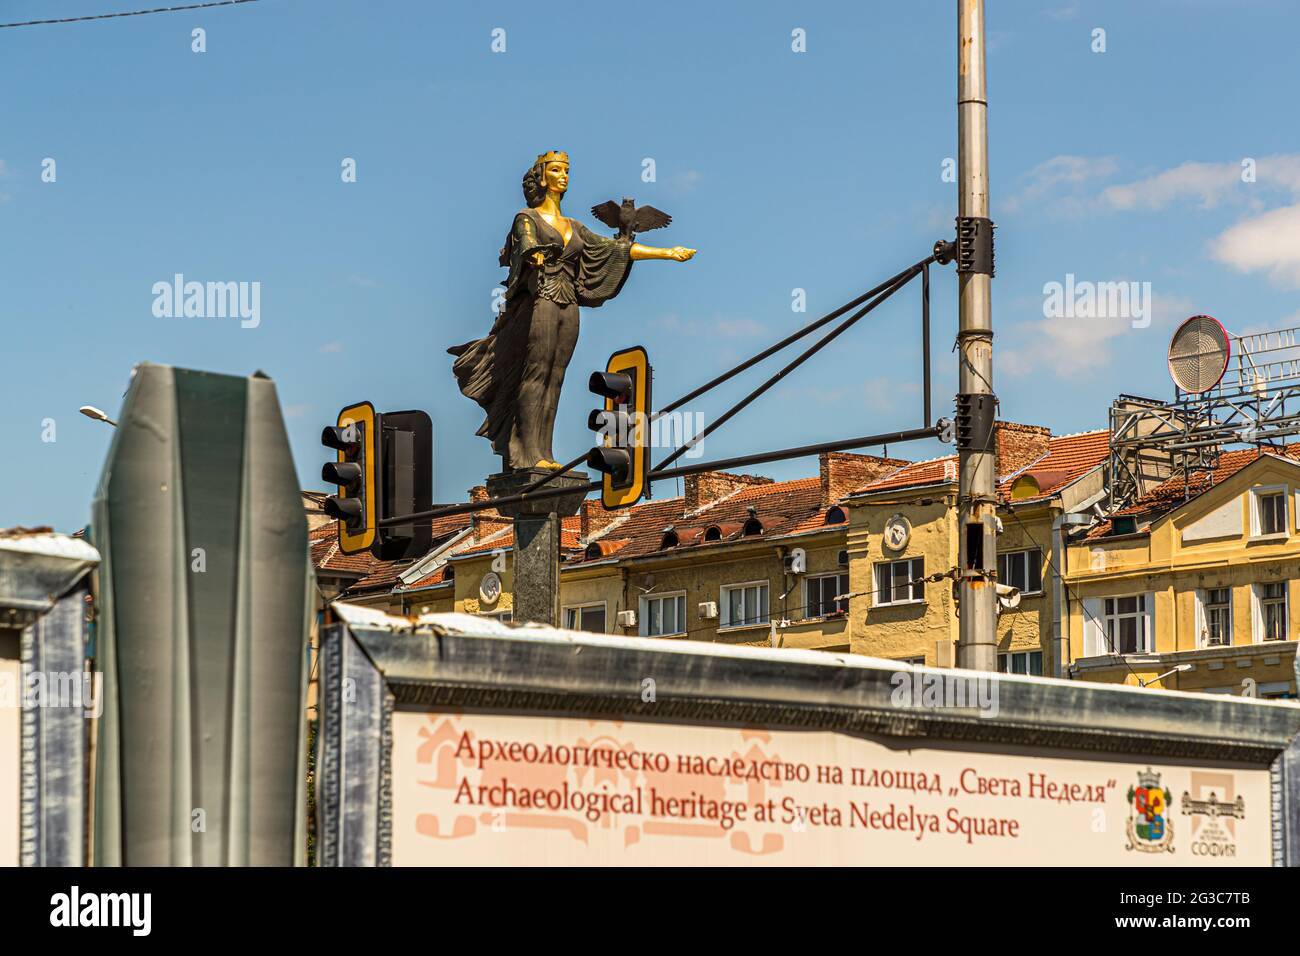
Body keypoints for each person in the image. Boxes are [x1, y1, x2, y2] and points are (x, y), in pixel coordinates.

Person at [449, 150, 696, 471]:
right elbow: (525, 244)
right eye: (555, 170)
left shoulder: (574, 227)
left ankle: (545, 453)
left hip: (568, 303)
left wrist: (668, 253)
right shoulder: (527, 218)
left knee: (556, 377)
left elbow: (616, 248)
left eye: (566, 170)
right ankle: (525, 453)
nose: (563, 176)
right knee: (536, 373)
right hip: (543, 298)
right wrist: (534, 255)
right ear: (541, 177)